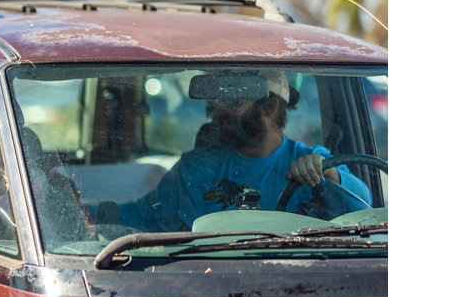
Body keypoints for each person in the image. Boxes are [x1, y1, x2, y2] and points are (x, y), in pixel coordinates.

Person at [120, 70, 372, 232]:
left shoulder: (314, 163)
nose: (221, 111)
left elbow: (365, 211)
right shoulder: (196, 168)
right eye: (219, 102)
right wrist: (88, 212)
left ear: (270, 106)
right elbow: (140, 216)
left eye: (235, 102)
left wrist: (331, 175)